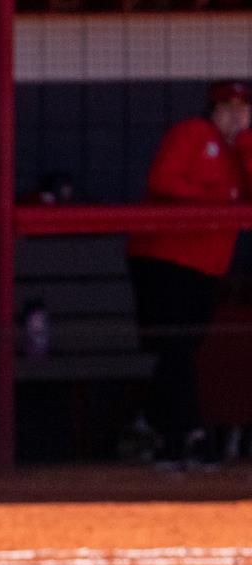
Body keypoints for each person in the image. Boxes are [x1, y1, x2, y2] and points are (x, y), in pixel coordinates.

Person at [126, 79, 251, 468]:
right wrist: (214, 199)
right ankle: (185, 435)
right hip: (164, 258)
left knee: (183, 349)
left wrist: (244, 145)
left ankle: (150, 424)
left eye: (243, 108)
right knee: (176, 347)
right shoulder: (193, 133)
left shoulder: (241, 150)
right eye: (227, 107)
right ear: (212, 110)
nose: (235, 114)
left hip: (207, 264)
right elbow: (162, 181)